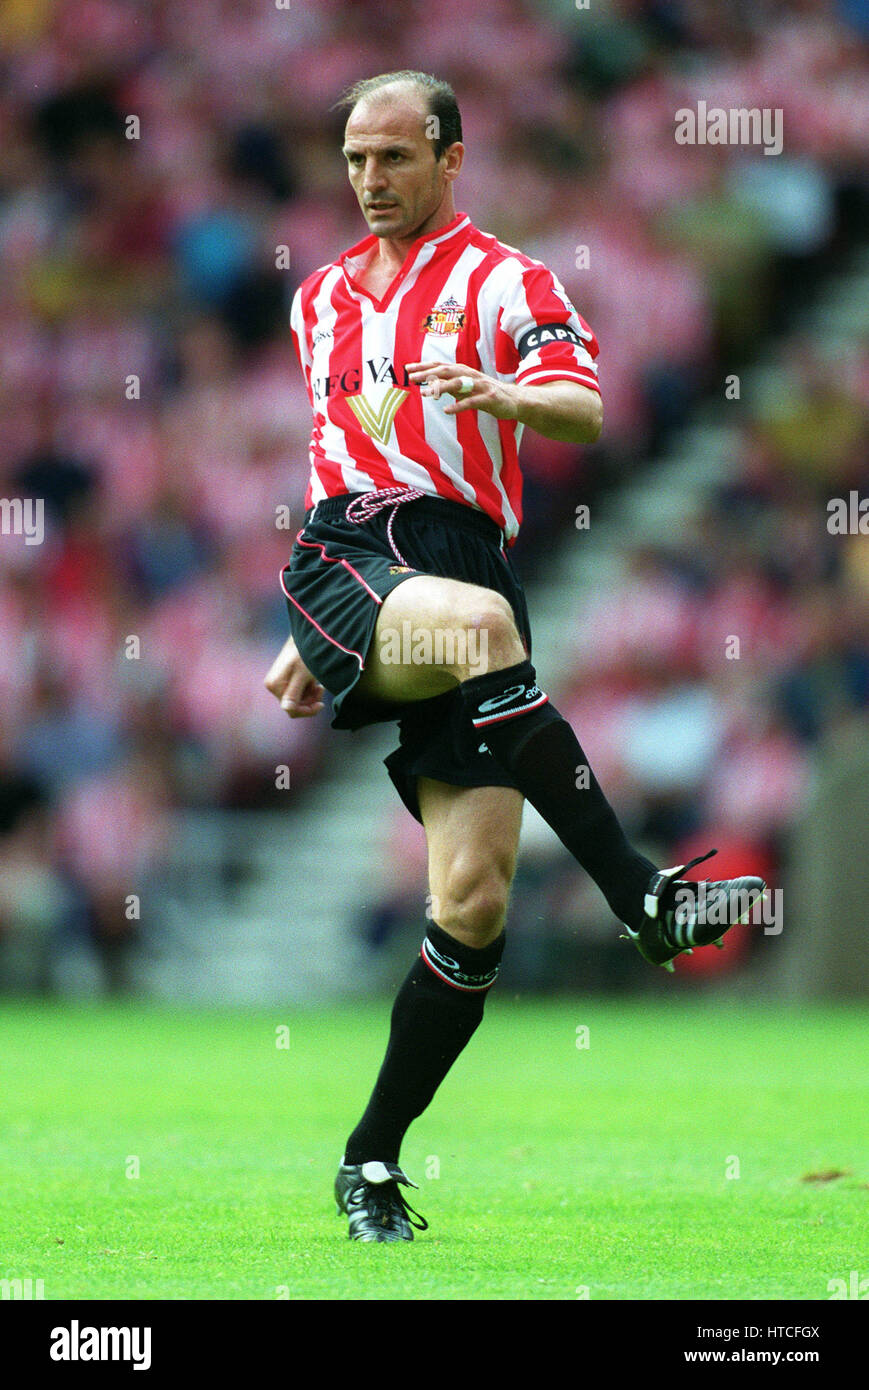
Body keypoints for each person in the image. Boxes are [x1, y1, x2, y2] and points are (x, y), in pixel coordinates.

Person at [264, 70, 764, 1243]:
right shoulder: (319, 300)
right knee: (484, 638)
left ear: (449, 157)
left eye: (393, 157)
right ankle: (639, 891)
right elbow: (333, 461)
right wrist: (310, 634)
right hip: (352, 556)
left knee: (472, 902)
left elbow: (585, 407)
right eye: (353, 160)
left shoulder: (508, 281)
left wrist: (498, 391)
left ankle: (369, 1164)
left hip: (463, 561)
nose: (370, 181)